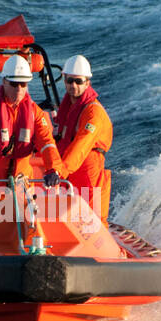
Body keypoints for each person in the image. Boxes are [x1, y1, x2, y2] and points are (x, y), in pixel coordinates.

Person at [0, 54, 64, 189]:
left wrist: (53, 169)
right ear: (4, 81)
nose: (19, 89)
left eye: (23, 84)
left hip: (22, 188)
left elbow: (47, 143)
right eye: (14, 84)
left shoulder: (36, 113)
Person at [52, 54, 112, 220]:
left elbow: (81, 145)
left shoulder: (93, 113)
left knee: (91, 221)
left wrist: (60, 170)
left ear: (87, 82)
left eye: (78, 81)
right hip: (69, 169)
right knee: (68, 218)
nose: (73, 85)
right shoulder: (68, 107)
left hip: (87, 170)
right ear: (64, 80)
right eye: (70, 80)